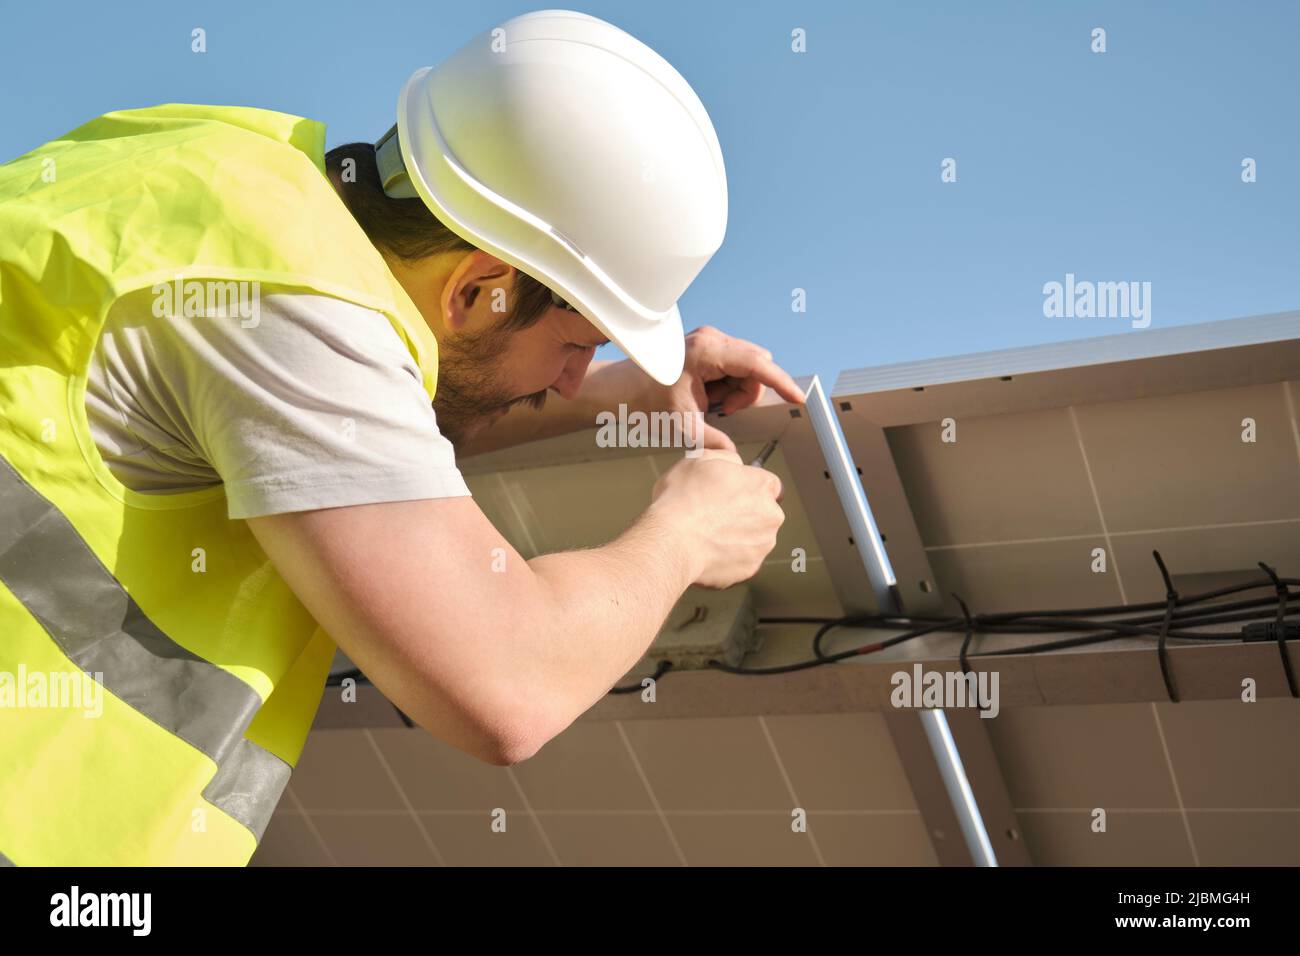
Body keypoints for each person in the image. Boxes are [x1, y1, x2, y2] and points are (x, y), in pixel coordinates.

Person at [0, 9, 799, 865]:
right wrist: (684, 536)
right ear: (476, 289)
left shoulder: (229, 175)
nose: (569, 378)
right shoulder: (287, 307)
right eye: (575, 346)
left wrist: (626, 389)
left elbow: (361, 435)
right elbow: (509, 686)